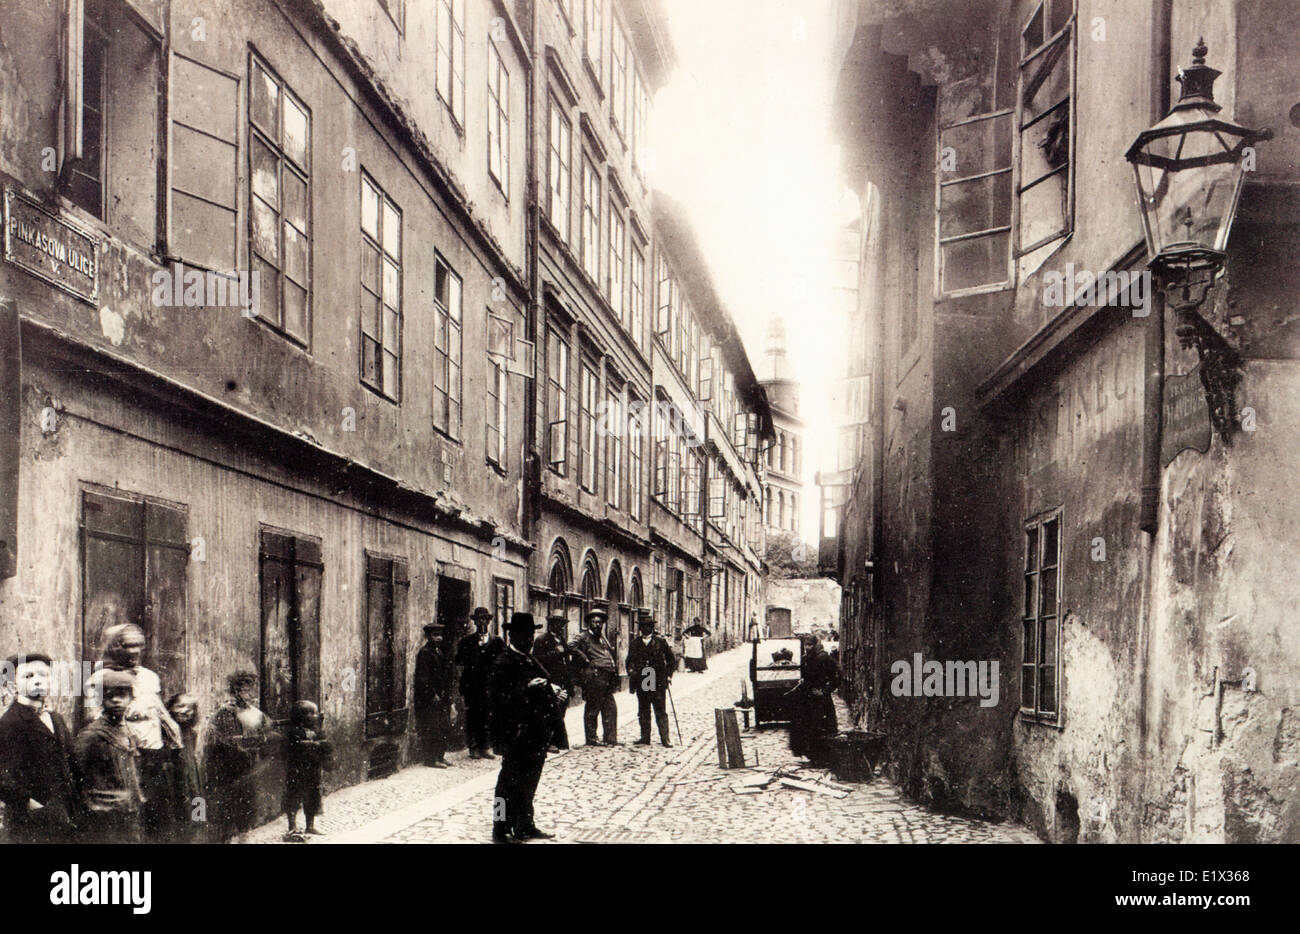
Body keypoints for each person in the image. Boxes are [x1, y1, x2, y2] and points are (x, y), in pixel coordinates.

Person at [83, 623, 183, 841]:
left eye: (139, 645)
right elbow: (95, 717)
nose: (135, 651)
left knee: (158, 810)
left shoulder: (149, 677)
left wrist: (174, 736)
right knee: (132, 816)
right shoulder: (100, 679)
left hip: (154, 751)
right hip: (126, 755)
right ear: (115, 647)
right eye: (128, 646)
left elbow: (158, 710)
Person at [486, 612, 566, 843]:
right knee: (506, 784)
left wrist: (553, 691)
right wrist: (527, 688)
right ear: (513, 635)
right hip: (515, 733)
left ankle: (524, 825)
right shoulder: (503, 662)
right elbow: (497, 698)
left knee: (529, 782)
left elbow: (542, 684)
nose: (529, 638)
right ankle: (499, 829)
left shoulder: (529, 659)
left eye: (531, 634)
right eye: (524, 634)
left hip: (535, 734)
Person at [0, 653, 85, 842]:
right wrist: (34, 806)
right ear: (13, 685)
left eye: (43, 675)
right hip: (31, 823)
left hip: (65, 813)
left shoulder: (56, 718)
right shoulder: (9, 723)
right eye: (28, 676)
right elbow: (3, 780)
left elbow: (71, 762)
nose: (38, 681)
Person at [204, 670, 277, 843]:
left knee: (247, 805)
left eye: (251, 690)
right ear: (234, 691)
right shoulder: (224, 713)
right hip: (226, 766)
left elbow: (268, 731)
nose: (249, 694)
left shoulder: (256, 713)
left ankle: (244, 839)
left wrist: (262, 740)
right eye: (243, 690)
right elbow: (216, 738)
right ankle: (226, 839)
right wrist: (234, 744)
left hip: (248, 766)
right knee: (226, 807)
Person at [75, 669, 144, 843]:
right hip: (103, 813)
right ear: (100, 700)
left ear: (131, 698)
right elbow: (76, 773)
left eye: (122, 695)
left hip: (128, 809)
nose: (116, 700)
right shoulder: (91, 735)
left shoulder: (129, 732)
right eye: (109, 696)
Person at [456, 607, 504, 759]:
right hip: (473, 687)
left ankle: (485, 747)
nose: (482, 622)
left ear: (489, 621)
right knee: (473, 716)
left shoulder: (497, 642)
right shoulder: (466, 642)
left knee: (488, 716)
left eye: (485, 619)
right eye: (479, 619)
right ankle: (474, 747)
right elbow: (459, 662)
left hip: (491, 686)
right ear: (475, 622)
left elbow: (503, 662)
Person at [283, 700, 333, 841]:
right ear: (302, 716)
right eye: (312, 713)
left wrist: (318, 744)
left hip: (313, 770)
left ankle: (310, 825)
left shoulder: (317, 730)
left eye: (315, 713)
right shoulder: (294, 731)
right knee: (294, 796)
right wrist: (315, 745)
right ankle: (292, 826)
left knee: (312, 797)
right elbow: (294, 747)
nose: (315, 716)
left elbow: (327, 745)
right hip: (297, 770)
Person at [568, 608, 619, 746]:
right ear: (589, 623)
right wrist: (585, 658)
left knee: (610, 708)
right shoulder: (583, 637)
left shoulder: (603, 638)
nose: (597, 625)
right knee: (593, 708)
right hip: (594, 677)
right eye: (594, 622)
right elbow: (570, 646)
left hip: (607, 678)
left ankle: (610, 738)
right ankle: (591, 739)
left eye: (600, 622)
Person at [625, 613, 676, 747]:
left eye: (649, 626)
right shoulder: (635, 643)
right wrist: (631, 672)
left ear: (652, 628)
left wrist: (669, 675)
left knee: (660, 710)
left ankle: (665, 738)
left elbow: (671, 660)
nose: (646, 629)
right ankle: (645, 737)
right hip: (642, 681)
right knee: (643, 710)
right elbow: (629, 661)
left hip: (657, 681)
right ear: (640, 628)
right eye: (643, 626)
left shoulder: (660, 642)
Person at [789, 635, 839, 767]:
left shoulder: (824, 658)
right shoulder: (806, 658)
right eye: (806, 645)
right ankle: (811, 756)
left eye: (810, 645)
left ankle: (823, 759)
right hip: (807, 698)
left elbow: (836, 677)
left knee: (820, 727)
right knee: (806, 726)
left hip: (820, 700)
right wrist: (803, 681)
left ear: (815, 644)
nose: (807, 647)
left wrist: (824, 690)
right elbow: (808, 676)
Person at [165, 693, 204, 843]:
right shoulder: (164, 733)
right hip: (173, 777)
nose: (185, 711)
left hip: (190, 775)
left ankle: (197, 835)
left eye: (190, 708)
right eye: (180, 705)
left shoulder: (191, 733)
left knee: (196, 805)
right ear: (170, 708)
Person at [412, 623, 452, 768]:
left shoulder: (439, 652)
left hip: (440, 696)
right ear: (428, 636)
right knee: (432, 728)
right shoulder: (425, 653)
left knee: (443, 726)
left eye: (440, 635)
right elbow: (423, 677)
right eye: (435, 635)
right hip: (429, 698)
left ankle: (440, 756)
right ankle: (431, 759)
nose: (439, 638)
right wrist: (432, 694)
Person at [531, 617, 572, 752]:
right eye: (556, 623)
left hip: (563, 681)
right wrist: (556, 652)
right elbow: (537, 660)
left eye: (561, 624)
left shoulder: (562, 639)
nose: (559, 626)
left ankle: (556, 740)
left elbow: (566, 661)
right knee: (550, 713)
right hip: (551, 681)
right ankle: (548, 742)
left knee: (560, 712)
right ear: (551, 624)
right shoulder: (542, 640)